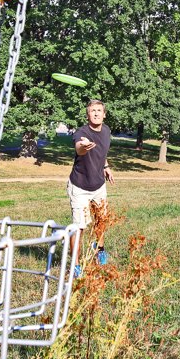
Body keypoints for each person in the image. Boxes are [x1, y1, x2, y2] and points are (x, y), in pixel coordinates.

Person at [67, 99, 114, 267]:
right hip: (80, 186)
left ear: (104, 114)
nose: (95, 113)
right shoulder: (82, 132)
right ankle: (76, 265)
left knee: (101, 219)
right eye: (92, 111)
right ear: (88, 115)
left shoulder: (106, 131)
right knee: (79, 227)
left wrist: (106, 166)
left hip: (99, 185)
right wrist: (83, 147)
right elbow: (79, 147)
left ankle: (100, 249)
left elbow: (102, 152)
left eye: (99, 110)